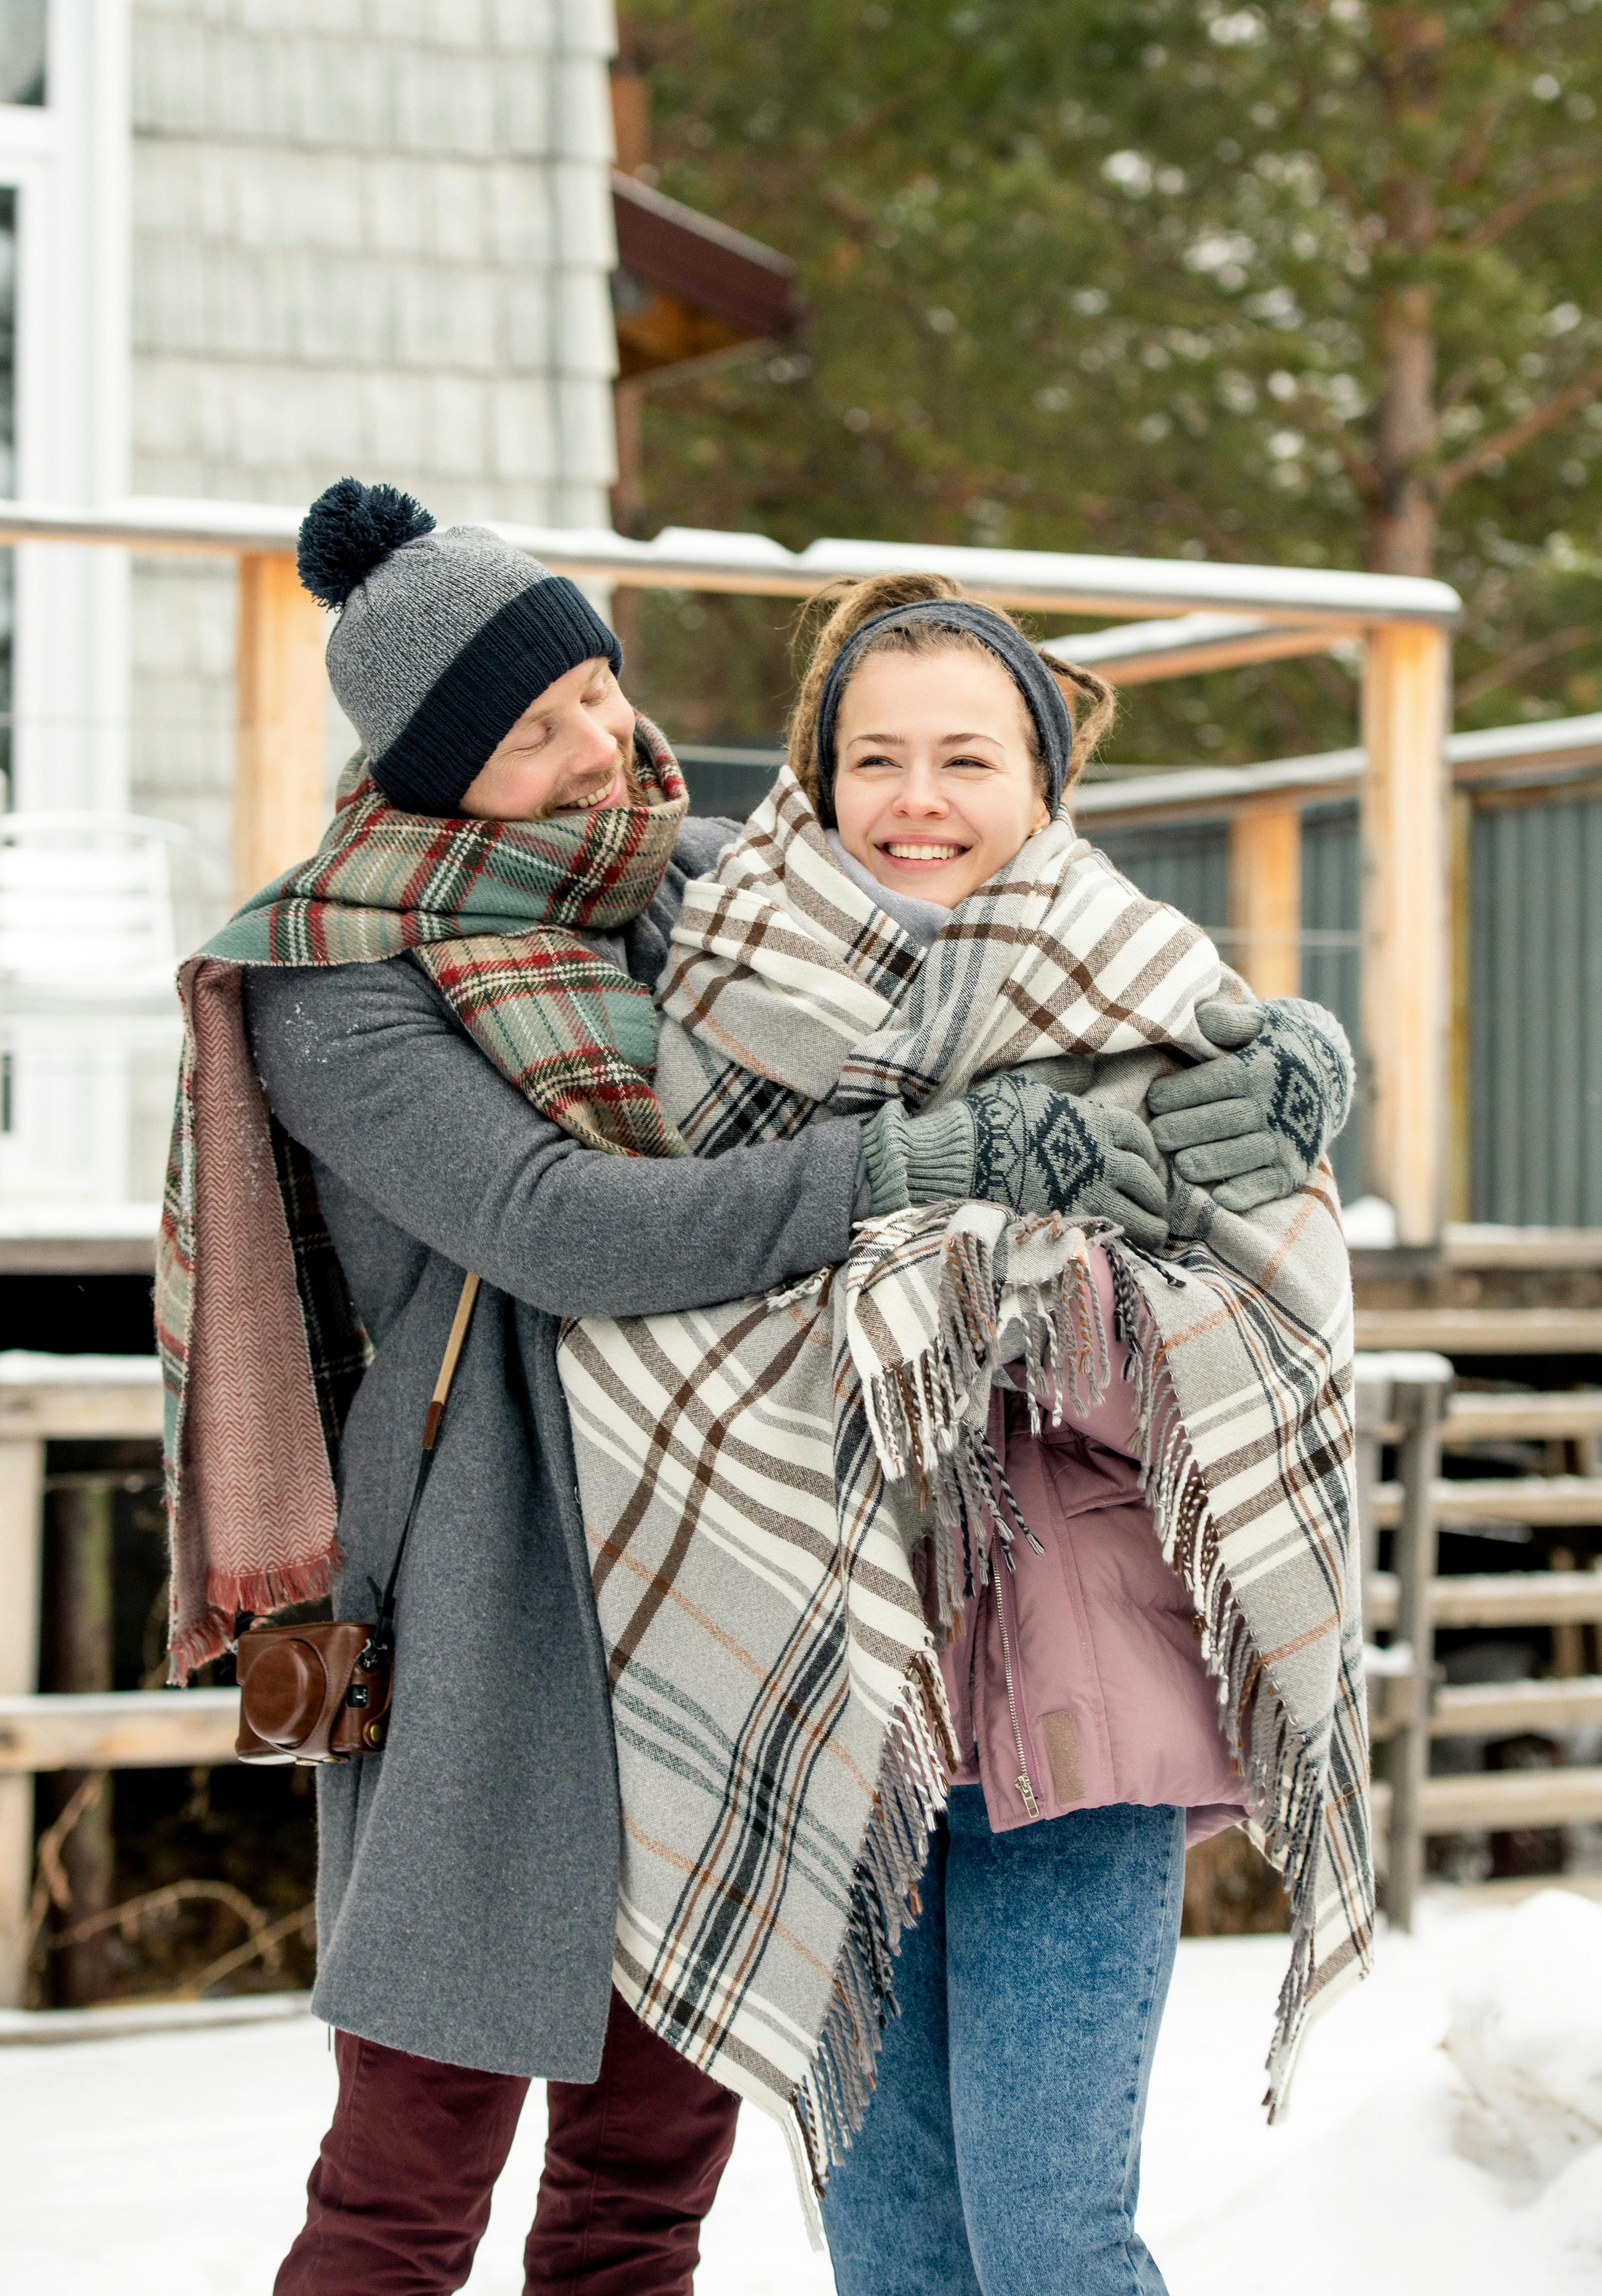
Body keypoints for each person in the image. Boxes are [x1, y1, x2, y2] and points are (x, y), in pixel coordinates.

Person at [155, 485, 1318, 2295]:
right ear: (432, 773)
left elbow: (1008, 948)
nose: (600, 746)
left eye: (598, 693)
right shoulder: (338, 981)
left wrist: (1285, 1050)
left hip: (731, 1565)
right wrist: (916, 1165)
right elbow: (566, 1226)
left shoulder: (691, 883)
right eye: (533, 735)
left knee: (643, 2182)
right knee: (405, 2175)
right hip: (504, 1590)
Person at [548, 572, 1361, 2296]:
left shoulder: (1151, 987)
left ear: (1043, 783)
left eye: (967, 759)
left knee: (1049, 2238)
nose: (917, 801)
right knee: (893, 2251)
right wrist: (948, 1205)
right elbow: (675, 1290)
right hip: (825, 1692)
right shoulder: (716, 993)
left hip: (1075, 1702)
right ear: (814, 777)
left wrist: (988, 1276)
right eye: (875, 757)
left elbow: (1249, 1345)